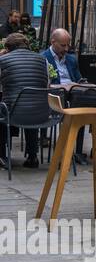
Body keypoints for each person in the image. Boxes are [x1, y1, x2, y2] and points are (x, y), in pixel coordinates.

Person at [0, 31, 48, 168]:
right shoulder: (42, 59)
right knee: (31, 104)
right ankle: (33, 157)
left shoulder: (3, 60)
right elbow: (47, 83)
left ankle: (2, 155)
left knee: (4, 110)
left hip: (14, 114)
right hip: (41, 113)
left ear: (7, 48)